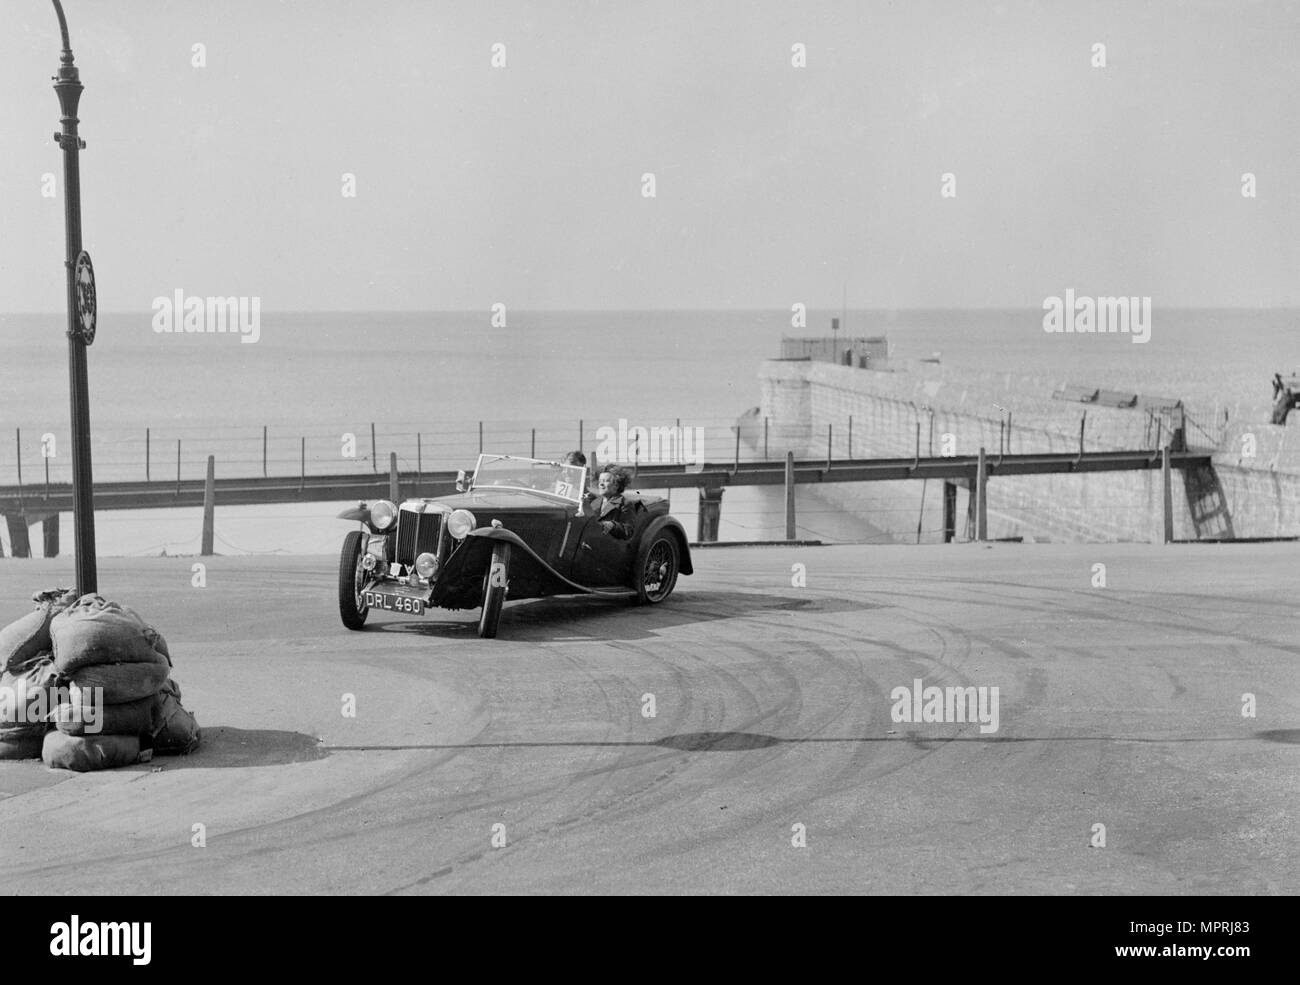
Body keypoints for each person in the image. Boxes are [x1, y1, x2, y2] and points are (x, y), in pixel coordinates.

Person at [592, 466, 637, 539]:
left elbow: (628, 531)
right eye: (600, 481)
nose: (601, 484)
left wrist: (612, 525)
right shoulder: (595, 502)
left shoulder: (625, 503)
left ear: (616, 485)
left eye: (606, 481)